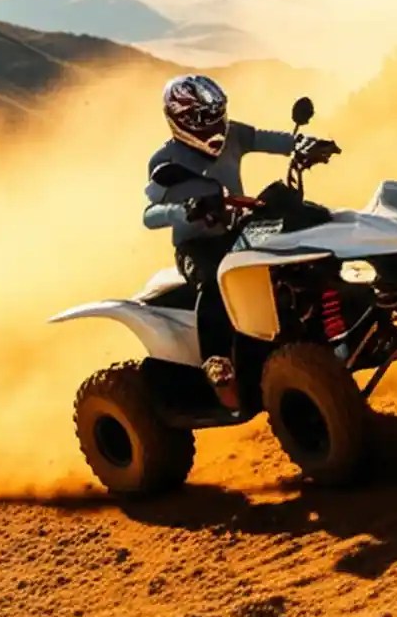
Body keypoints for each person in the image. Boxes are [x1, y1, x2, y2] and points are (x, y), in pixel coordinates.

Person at [142, 74, 338, 410]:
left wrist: (304, 144)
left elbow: (265, 138)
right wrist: (185, 210)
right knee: (215, 281)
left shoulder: (233, 135)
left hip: (238, 229)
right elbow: (150, 214)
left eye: (217, 113)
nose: (214, 123)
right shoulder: (165, 160)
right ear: (181, 119)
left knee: (303, 227)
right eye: (203, 117)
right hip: (196, 247)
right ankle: (218, 363)